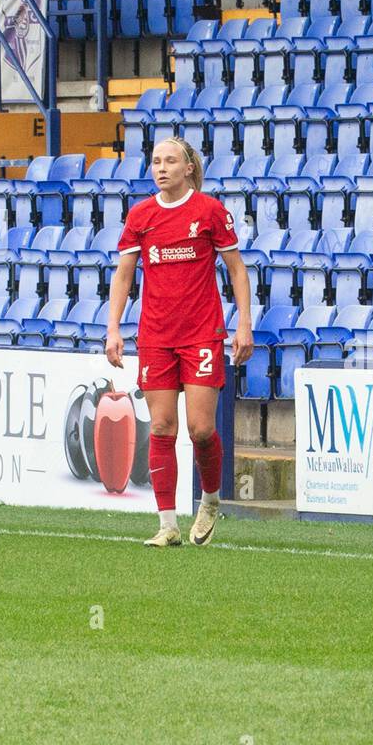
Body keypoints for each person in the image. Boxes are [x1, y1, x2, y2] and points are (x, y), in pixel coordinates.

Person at [105, 137, 253, 548]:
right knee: (163, 426)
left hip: (202, 333)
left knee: (201, 429)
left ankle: (209, 500)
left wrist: (244, 324)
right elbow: (123, 276)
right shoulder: (141, 215)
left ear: (189, 168)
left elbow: (237, 271)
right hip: (156, 336)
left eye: (170, 161)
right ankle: (167, 524)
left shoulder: (209, 211)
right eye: (155, 161)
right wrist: (113, 328)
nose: (161, 167)